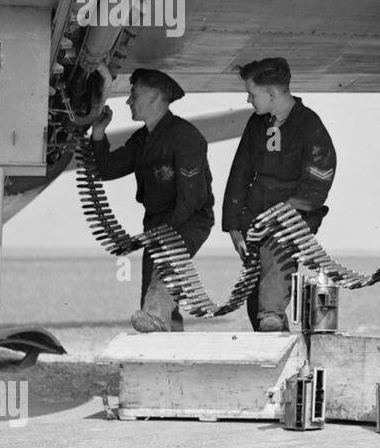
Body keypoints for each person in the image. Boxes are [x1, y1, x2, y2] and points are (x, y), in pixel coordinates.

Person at [89, 69, 214, 333]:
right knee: (155, 291)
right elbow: (107, 169)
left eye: (134, 95)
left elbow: (191, 198)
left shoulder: (185, 137)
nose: (128, 102)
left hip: (188, 221)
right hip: (157, 225)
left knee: (164, 275)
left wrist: (163, 232)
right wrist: (99, 133)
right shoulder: (143, 138)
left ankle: (156, 317)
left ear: (155, 96)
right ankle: (170, 357)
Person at [223, 58, 337, 332]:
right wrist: (234, 225)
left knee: (274, 266)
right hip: (255, 218)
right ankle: (276, 339)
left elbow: (318, 180)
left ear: (272, 94)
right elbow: (240, 173)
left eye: (252, 93)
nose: (248, 99)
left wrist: (284, 213)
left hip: (295, 218)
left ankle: (273, 317)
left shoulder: (310, 125)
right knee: (257, 295)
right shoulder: (257, 124)